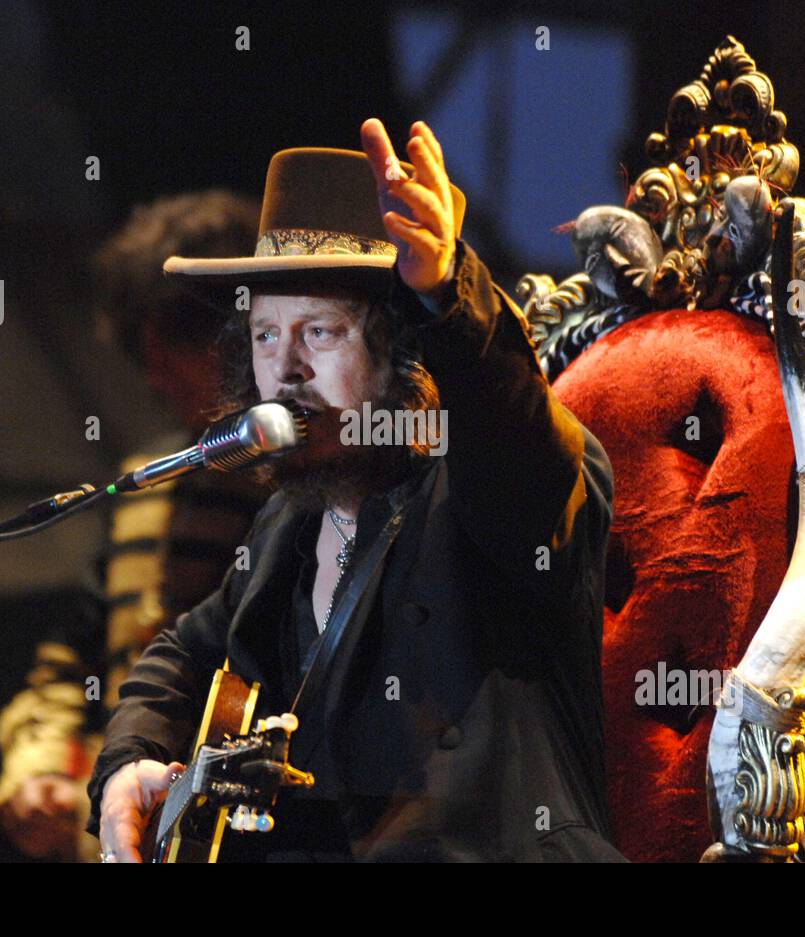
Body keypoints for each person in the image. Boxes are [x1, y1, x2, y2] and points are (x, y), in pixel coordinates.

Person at [89, 119, 623, 862]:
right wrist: (129, 761)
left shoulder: (489, 483)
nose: (286, 370)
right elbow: (185, 648)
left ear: (401, 352)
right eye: (268, 336)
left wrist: (446, 295)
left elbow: (514, 433)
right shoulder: (287, 525)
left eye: (322, 333)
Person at [0, 192, 270, 861]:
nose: (153, 375)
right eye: (144, 350)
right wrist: (43, 767)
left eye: (171, 344)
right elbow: (71, 655)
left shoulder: (301, 485)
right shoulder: (146, 478)